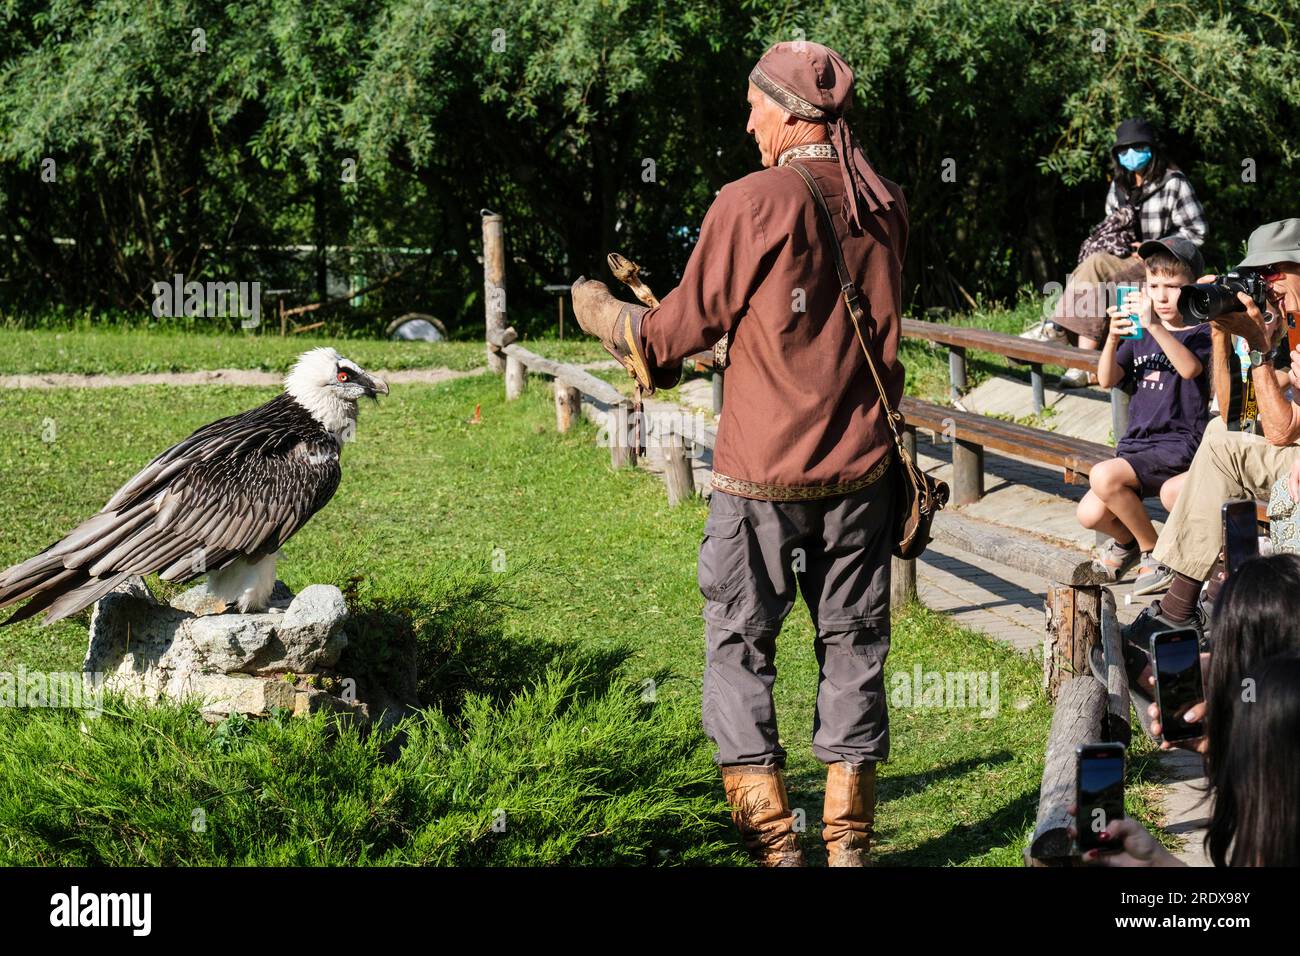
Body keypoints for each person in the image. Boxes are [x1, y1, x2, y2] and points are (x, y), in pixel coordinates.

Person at [569, 41, 908, 867]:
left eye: (755, 104)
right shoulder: (883, 200)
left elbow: (671, 334)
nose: (746, 119)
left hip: (762, 473)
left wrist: (603, 315)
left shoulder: (753, 199)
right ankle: (848, 845)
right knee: (854, 642)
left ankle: (774, 845)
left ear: (790, 111)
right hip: (861, 471)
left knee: (738, 642)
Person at [1124, 219, 1300, 651]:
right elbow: (1240, 412)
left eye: (1273, 271)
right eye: (1259, 276)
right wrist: (1222, 332)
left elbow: (1279, 431)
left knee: (1220, 449)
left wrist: (1258, 346)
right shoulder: (1288, 320)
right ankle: (1192, 606)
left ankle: (1181, 610)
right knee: (1223, 434)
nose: (1267, 285)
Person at [1027, 118, 1207, 389]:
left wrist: (1156, 246)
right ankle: (1074, 348)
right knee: (1093, 264)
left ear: (1152, 149)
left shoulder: (1174, 183)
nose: (1131, 154)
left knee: (1094, 267)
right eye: (1124, 149)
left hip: (1161, 263)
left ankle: (1066, 338)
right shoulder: (1119, 186)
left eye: (1138, 147)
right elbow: (1111, 228)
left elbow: (1197, 232)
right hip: (1124, 257)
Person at [1079, 237, 1211, 594]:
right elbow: (1106, 379)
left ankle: (1157, 553)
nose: (1162, 296)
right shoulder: (1139, 334)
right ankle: (1131, 544)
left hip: (1179, 444)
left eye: (1173, 287)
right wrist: (1111, 339)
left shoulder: (1201, 332)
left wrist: (1155, 326)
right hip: (1139, 445)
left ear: (1192, 288)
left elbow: (1189, 370)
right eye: (1154, 286)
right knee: (1089, 514)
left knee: (1103, 476)